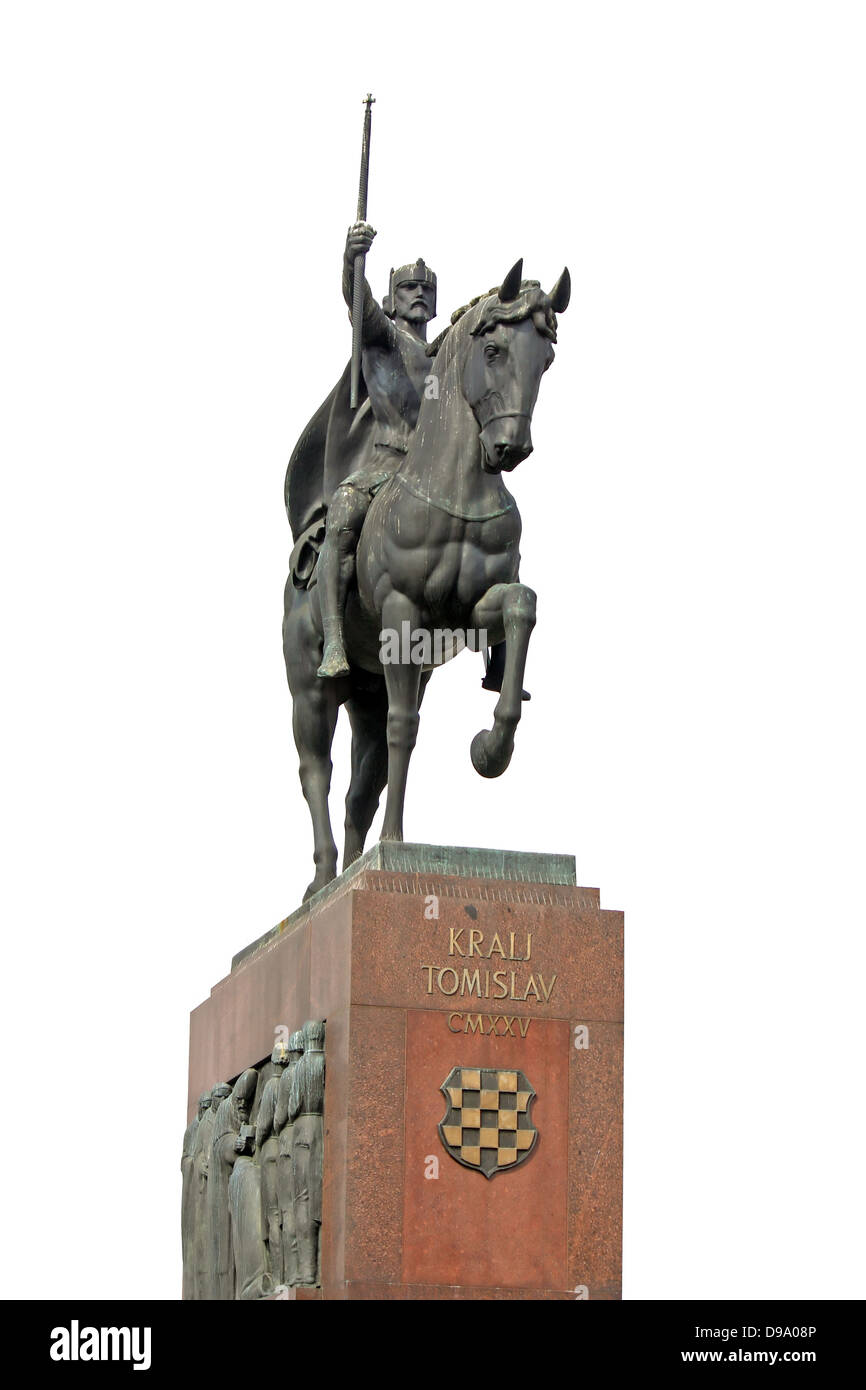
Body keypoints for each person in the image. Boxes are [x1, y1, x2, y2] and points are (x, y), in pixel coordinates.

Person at [316, 222, 437, 678]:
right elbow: (358, 301)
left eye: (425, 288)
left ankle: (498, 651)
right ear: (392, 299)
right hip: (386, 461)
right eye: (408, 287)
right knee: (343, 516)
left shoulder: (441, 357)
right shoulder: (381, 335)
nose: (418, 294)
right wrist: (352, 260)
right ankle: (333, 640)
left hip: (432, 469)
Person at [288, 1020, 326, 1286]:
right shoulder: (324, 1062)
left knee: (302, 1199)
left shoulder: (300, 1066)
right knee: (316, 1199)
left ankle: (307, 1270)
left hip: (302, 1129)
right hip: (320, 1129)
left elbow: (291, 1108)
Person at [181, 1092, 210, 1299]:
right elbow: (185, 1160)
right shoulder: (194, 1129)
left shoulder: (211, 1124)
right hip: (197, 1190)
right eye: (205, 1106)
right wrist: (196, 1163)